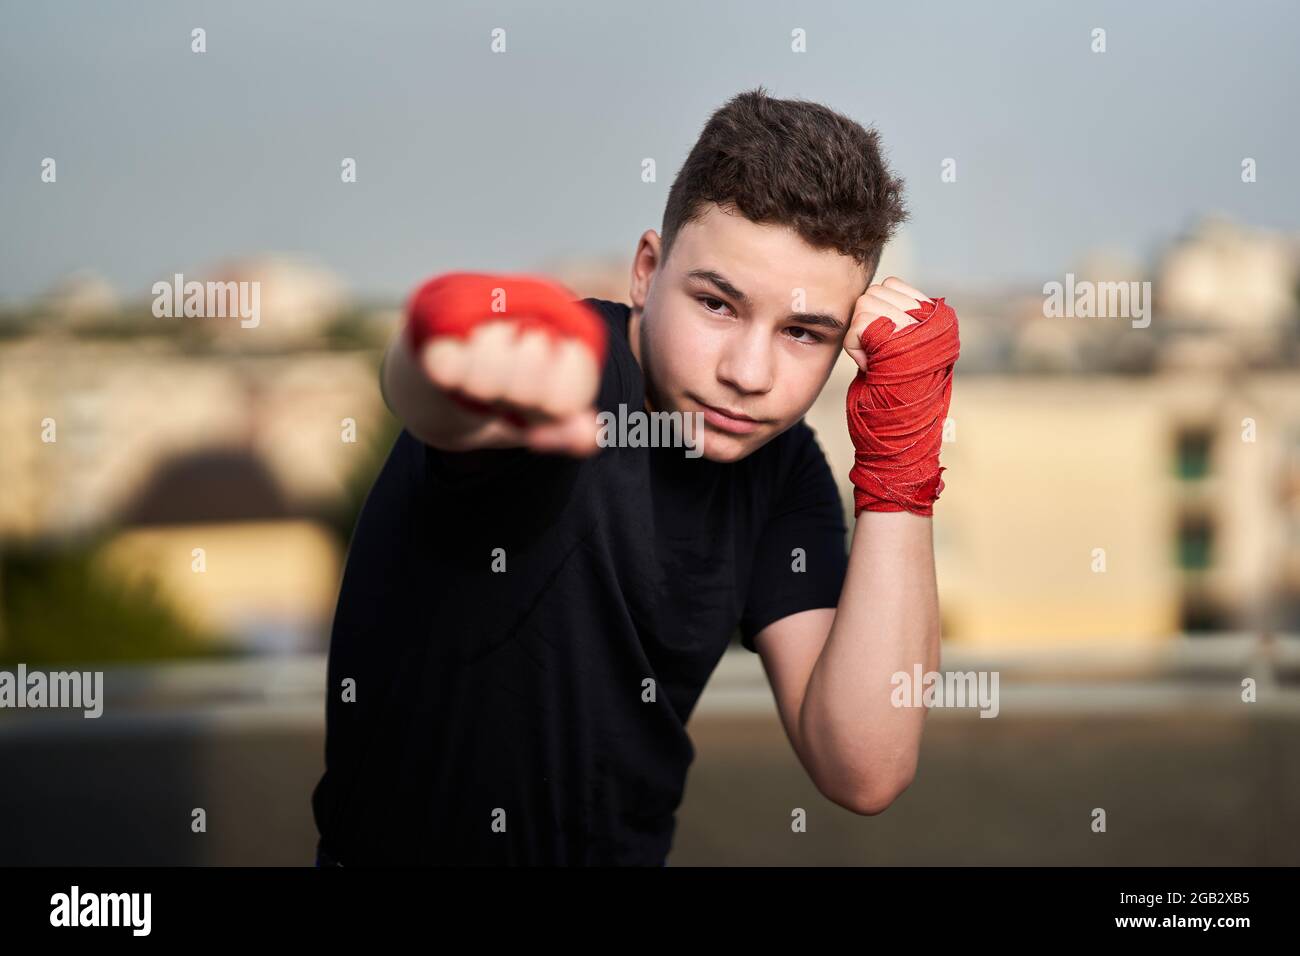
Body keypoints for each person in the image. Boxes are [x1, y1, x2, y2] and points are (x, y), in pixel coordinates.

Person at [310, 86, 960, 866]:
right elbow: (438, 403)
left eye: (801, 332)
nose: (748, 374)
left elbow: (865, 767)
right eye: (718, 305)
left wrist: (903, 460)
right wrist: (441, 349)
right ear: (647, 271)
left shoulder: (783, 474)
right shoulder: (568, 371)